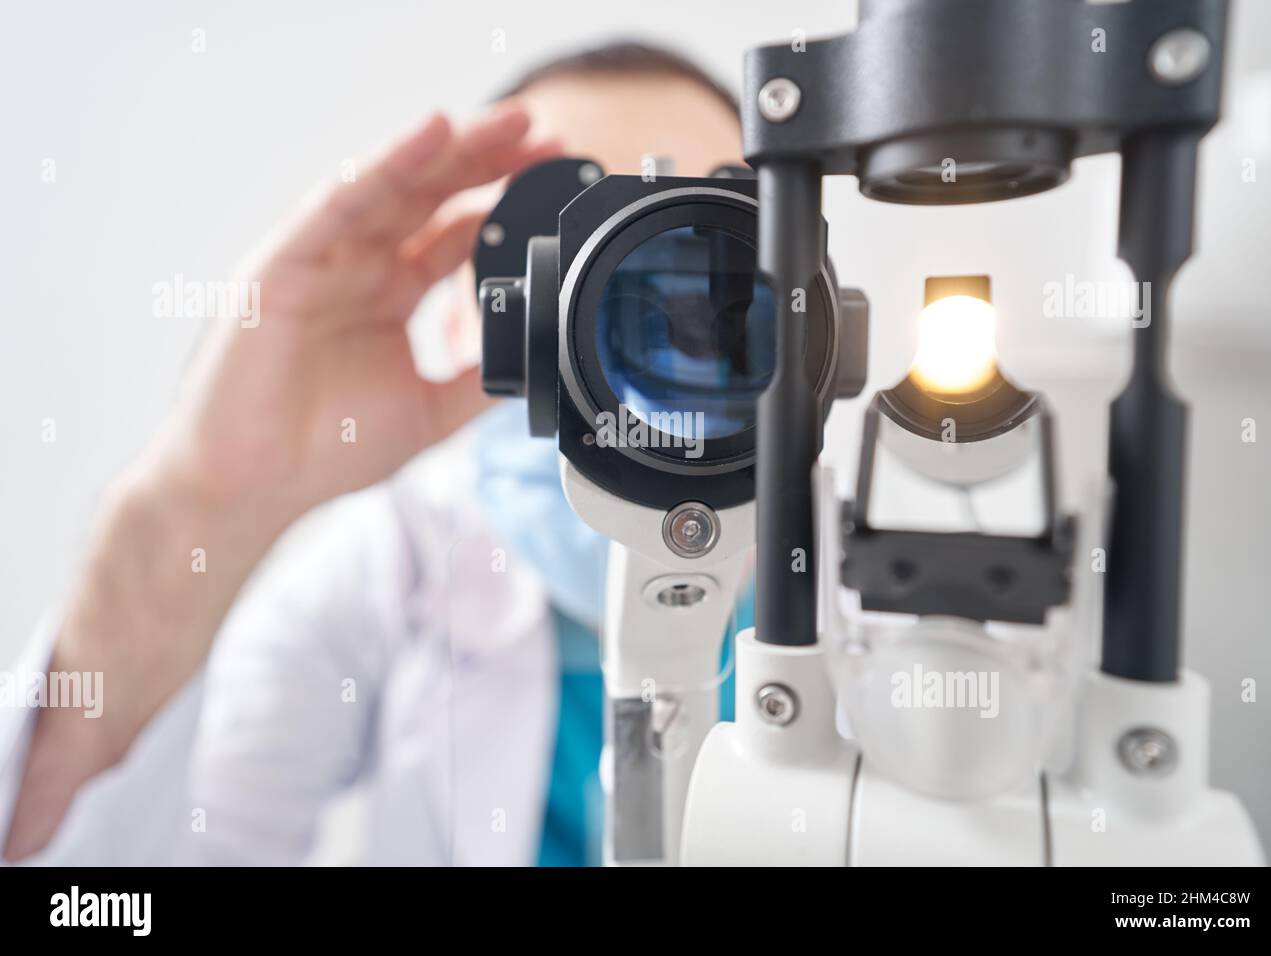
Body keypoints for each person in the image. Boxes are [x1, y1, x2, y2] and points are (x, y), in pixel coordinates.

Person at [0, 41, 751, 866]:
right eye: (564, 252)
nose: (630, 323)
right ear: (463, 320)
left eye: (700, 254)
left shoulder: (852, 573)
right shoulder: (383, 570)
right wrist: (200, 500)